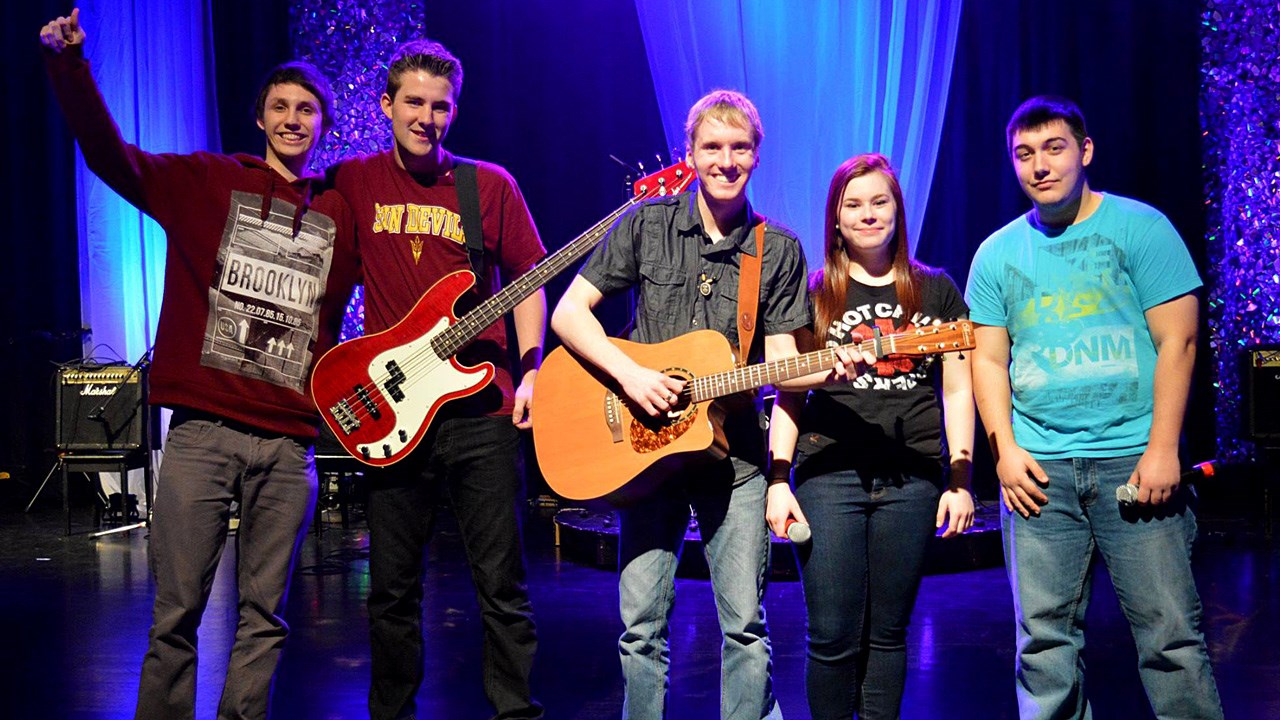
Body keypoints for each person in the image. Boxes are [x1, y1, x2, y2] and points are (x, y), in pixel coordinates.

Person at [41, 8, 360, 720]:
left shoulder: (341, 212)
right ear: (259, 119)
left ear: (323, 125)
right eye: (280, 107)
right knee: (176, 615)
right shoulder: (207, 183)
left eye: (307, 110)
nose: (292, 120)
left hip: (288, 446)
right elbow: (109, 157)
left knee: (264, 619)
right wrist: (69, 65)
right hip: (202, 435)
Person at [550, 89, 808, 720]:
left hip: (735, 458)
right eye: (712, 147)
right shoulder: (645, 224)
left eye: (739, 147)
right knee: (639, 624)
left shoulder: (777, 251)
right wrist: (632, 375)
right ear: (689, 153)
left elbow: (784, 368)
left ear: (757, 153)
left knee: (745, 625)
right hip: (644, 451)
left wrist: (783, 469)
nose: (726, 160)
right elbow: (567, 314)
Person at [965, 95, 1223, 719]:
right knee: (1044, 644)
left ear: (1084, 152)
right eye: (1024, 155)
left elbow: (1179, 342)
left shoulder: (1141, 228)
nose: (1039, 166)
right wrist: (1004, 450)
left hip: (1132, 464)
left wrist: (1163, 449)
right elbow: (988, 360)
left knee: (1170, 639)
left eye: (1054, 149)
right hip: (1040, 475)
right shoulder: (997, 253)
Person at [326, 39, 545, 720]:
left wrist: (532, 371)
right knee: (391, 589)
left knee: (501, 585)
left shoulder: (489, 186)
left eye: (440, 105)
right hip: (396, 412)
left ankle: (515, 712)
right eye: (414, 102)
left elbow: (530, 282)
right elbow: (325, 279)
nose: (427, 116)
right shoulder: (353, 182)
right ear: (386, 105)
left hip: (481, 413)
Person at [765, 152, 975, 719]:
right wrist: (778, 480)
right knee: (831, 634)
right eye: (852, 204)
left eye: (879, 201)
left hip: (913, 478)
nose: (867, 214)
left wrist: (959, 478)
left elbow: (958, 390)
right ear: (835, 217)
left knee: (887, 633)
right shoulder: (812, 293)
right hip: (826, 476)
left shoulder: (935, 291)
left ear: (897, 209)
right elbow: (788, 392)